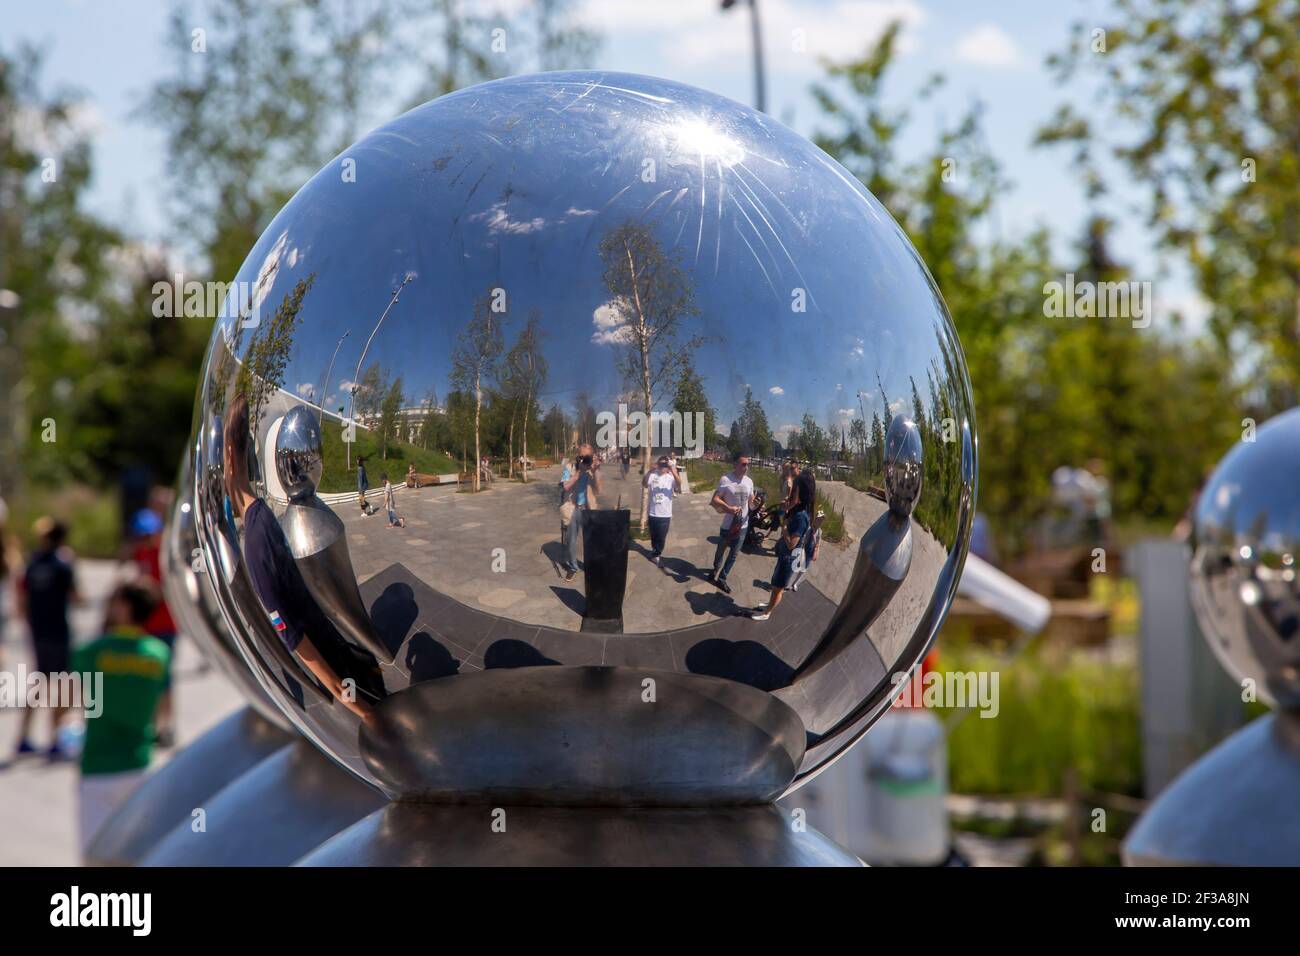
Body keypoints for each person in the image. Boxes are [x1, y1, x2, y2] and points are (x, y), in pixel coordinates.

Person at [226, 394, 378, 719]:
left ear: (228, 457)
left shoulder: (256, 540)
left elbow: (292, 636)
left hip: (344, 676)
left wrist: (362, 710)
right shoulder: (263, 519)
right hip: (345, 657)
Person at [73, 580, 171, 854]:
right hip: (139, 762)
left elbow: (67, 698)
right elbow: (160, 707)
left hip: (98, 765)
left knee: (95, 854)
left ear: (124, 607)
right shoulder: (159, 654)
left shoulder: (92, 651)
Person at [14, 517, 79, 759]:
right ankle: (55, 738)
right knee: (63, 684)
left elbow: (22, 597)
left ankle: (23, 736)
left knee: (39, 681)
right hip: (58, 630)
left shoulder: (34, 562)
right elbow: (75, 596)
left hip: (38, 630)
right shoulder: (63, 565)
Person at [125, 507, 178, 748]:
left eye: (147, 535)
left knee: (164, 677)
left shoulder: (162, 553)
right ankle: (151, 723)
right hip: (146, 625)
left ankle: (166, 725)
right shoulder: (140, 553)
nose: (144, 540)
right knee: (147, 677)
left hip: (165, 623)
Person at [752, 486, 812, 621]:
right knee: (775, 585)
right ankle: (770, 604)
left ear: (800, 498)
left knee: (778, 588)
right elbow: (782, 521)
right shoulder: (795, 511)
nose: (788, 498)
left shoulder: (801, 517)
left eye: (792, 496)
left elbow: (792, 543)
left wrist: (784, 526)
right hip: (784, 555)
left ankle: (767, 613)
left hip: (789, 558)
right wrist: (783, 512)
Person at [708, 452, 755, 594]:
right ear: (735, 465)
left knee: (734, 554)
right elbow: (715, 499)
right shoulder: (726, 479)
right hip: (728, 524)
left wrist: (757, 505)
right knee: (720, 551)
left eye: (748, 464)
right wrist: (728, 508)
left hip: (743, 525)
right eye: (743, 464)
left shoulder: (749, 481)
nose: (746, 467)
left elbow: (751, 503)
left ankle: (722, 578)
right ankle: (716, 568)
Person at [559, 443, 603, 582]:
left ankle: (590, 565)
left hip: (588, 509)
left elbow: (599, 490)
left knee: (591, 540)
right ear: (577, 456)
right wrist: (578, 473)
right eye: (581, 456)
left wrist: (596, 471)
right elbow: (565, 487)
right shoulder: (569, 467)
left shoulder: (593, 469)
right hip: (572, 509)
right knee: (571, 541)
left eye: (587, 457)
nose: (584, 459)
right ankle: (572, 566)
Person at [643, 455, 680, 566]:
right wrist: (650, 470)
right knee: (653, 536)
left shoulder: (670, 477)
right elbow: (644, 484)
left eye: (665, 464)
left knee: (661, 537)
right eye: (661, 463)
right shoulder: (653, 475)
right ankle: (655, 552)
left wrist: (672, 469)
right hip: (652, 512)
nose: (663, 466)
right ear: (658, 464)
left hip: (665, 514)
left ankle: (657, 553)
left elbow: (679, 483)